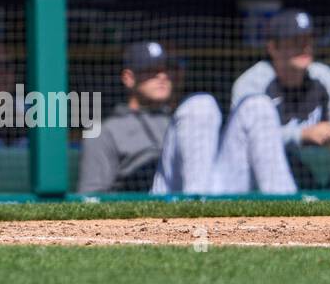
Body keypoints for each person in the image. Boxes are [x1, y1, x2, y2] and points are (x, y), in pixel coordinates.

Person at [78, 42, 296, 194]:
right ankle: (195, 208)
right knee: (199, 105)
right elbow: (91, 198)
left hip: (215, 193)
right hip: (158, 205)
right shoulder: (107, 130)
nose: (162, 76)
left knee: (256, 105)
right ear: (128, 77)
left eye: (166, 69)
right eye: (150, 70)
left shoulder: (183, 116)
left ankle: (289, 217)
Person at [233, 9, 330, 189]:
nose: (304, 46)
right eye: (295, 40)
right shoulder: (251, 83)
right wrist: (301, 135)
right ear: (273, 47)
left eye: (308, 38)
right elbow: (245, 141)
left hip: (316, 173)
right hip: (262, 183)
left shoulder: (326, 75)